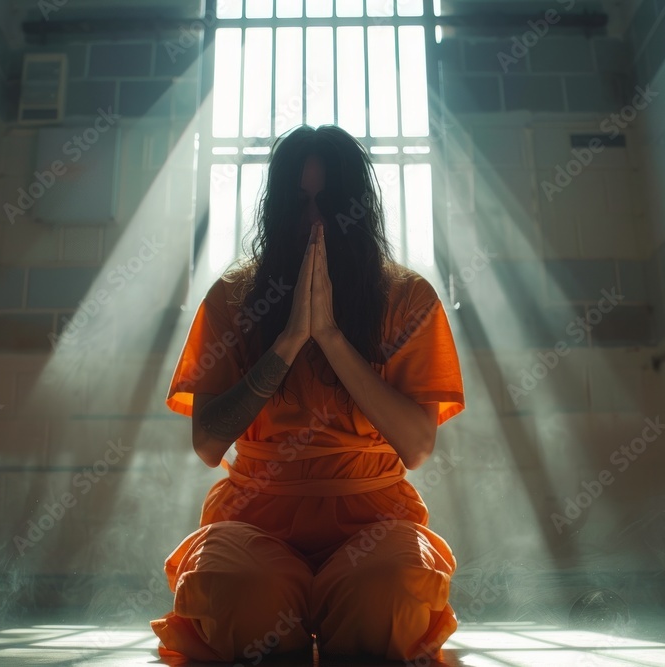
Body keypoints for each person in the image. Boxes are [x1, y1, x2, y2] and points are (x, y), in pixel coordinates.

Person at [150, 124, 465, 663]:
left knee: (387, 589)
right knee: (236, 588)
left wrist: (332, 338)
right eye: (300, 203)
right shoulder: (234, 297)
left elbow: (417, 447)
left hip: (374, 522)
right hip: (255, 520)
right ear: (276, 209)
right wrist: (289, 340)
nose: (316, 221)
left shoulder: (407, 297)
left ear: (358, 211)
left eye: (331, 204)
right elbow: (207, 444)